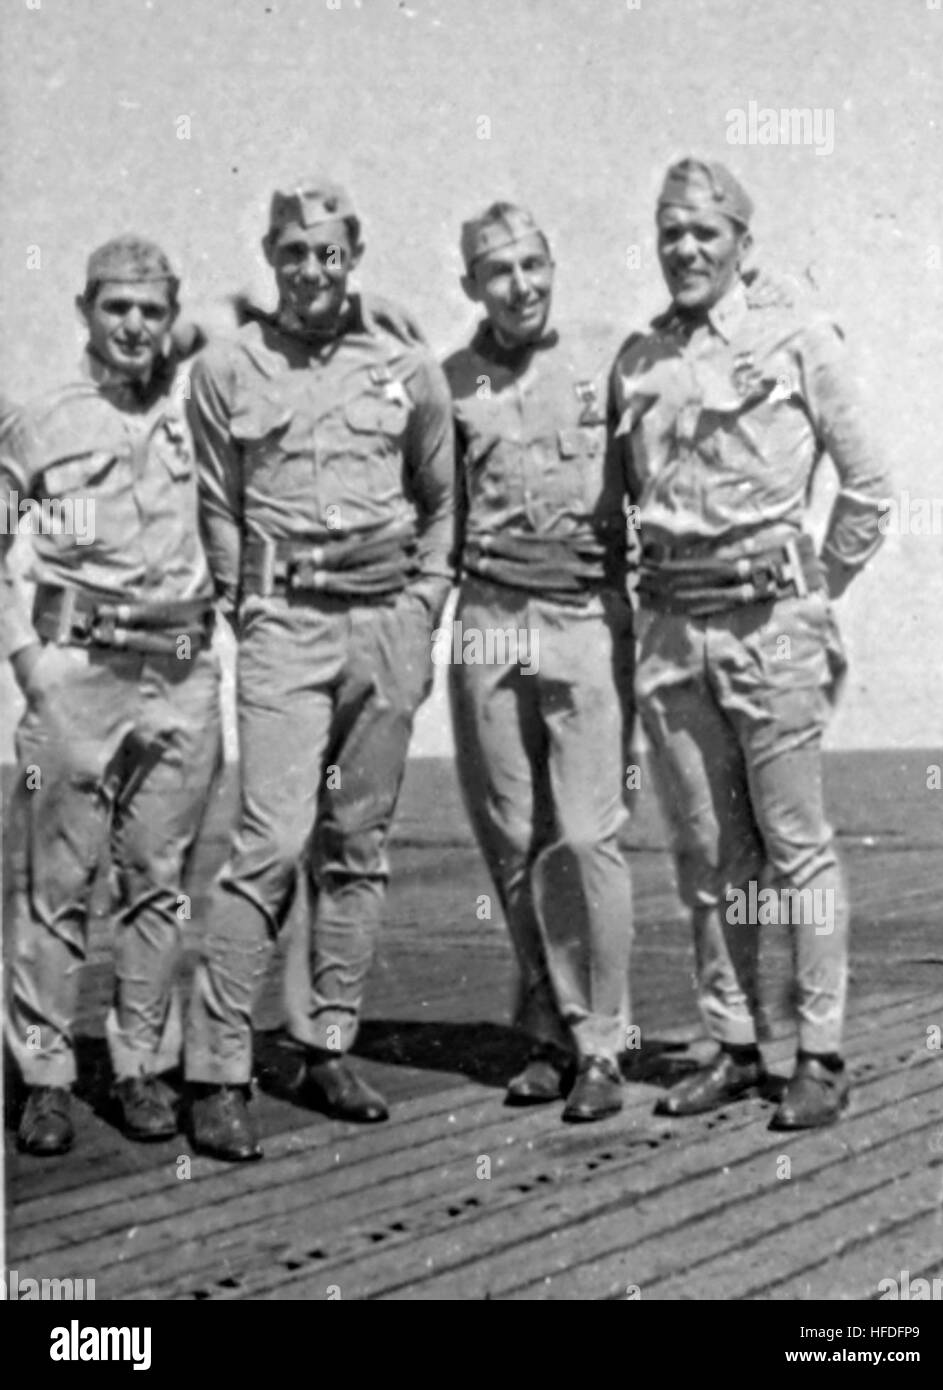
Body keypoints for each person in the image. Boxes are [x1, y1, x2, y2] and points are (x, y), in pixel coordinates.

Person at [610, 158, 890, 1128]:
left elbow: (868, 489)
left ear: (741, 243)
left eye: (705, 235)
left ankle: (818, 1055)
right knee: (706, 851)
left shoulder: (798, 337)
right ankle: (731, 1046)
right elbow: (623, 506)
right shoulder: (638, 359)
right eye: (670, 235)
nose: (685, 251)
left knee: (795, 846)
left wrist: (817, 589)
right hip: (671, 632)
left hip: (771, 629)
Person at [183, 175, 455, 1161]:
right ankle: (216, 1070)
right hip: (285, 625)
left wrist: (425, 607)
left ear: (354, 255)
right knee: (268, 843)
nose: (311, 270)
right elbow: (217, 501)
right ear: (271, 257)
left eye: (329, 252)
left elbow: (439, 499)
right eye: (293, 253)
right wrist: (243, 603)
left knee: (357, 845)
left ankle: (324, 1043)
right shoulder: (226, 369)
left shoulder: (408, 367)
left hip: (385, 622)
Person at [2, 237, 222, 1155]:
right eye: (117, 308)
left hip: (179, 674)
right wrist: (25, 658)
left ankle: (139, 1065)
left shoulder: (197, 409)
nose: (134, 325)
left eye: (153, 311)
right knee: (56, 886)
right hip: (78, 675)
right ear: (87, 310)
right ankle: (46, 1074)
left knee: (157, 884)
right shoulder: (41, 420)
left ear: (171, 320)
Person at [443, 202, 636, 1123]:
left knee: (588, 836)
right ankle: (552, 1032)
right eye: (496, 271)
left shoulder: (611, 360)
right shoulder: (448, 384)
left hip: (583, 618)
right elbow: (429, 522)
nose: (518, 285)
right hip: (485, 621)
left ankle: (603, 1044)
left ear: (552, 264)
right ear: (471, 285)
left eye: (531, 265)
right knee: (513, 836)